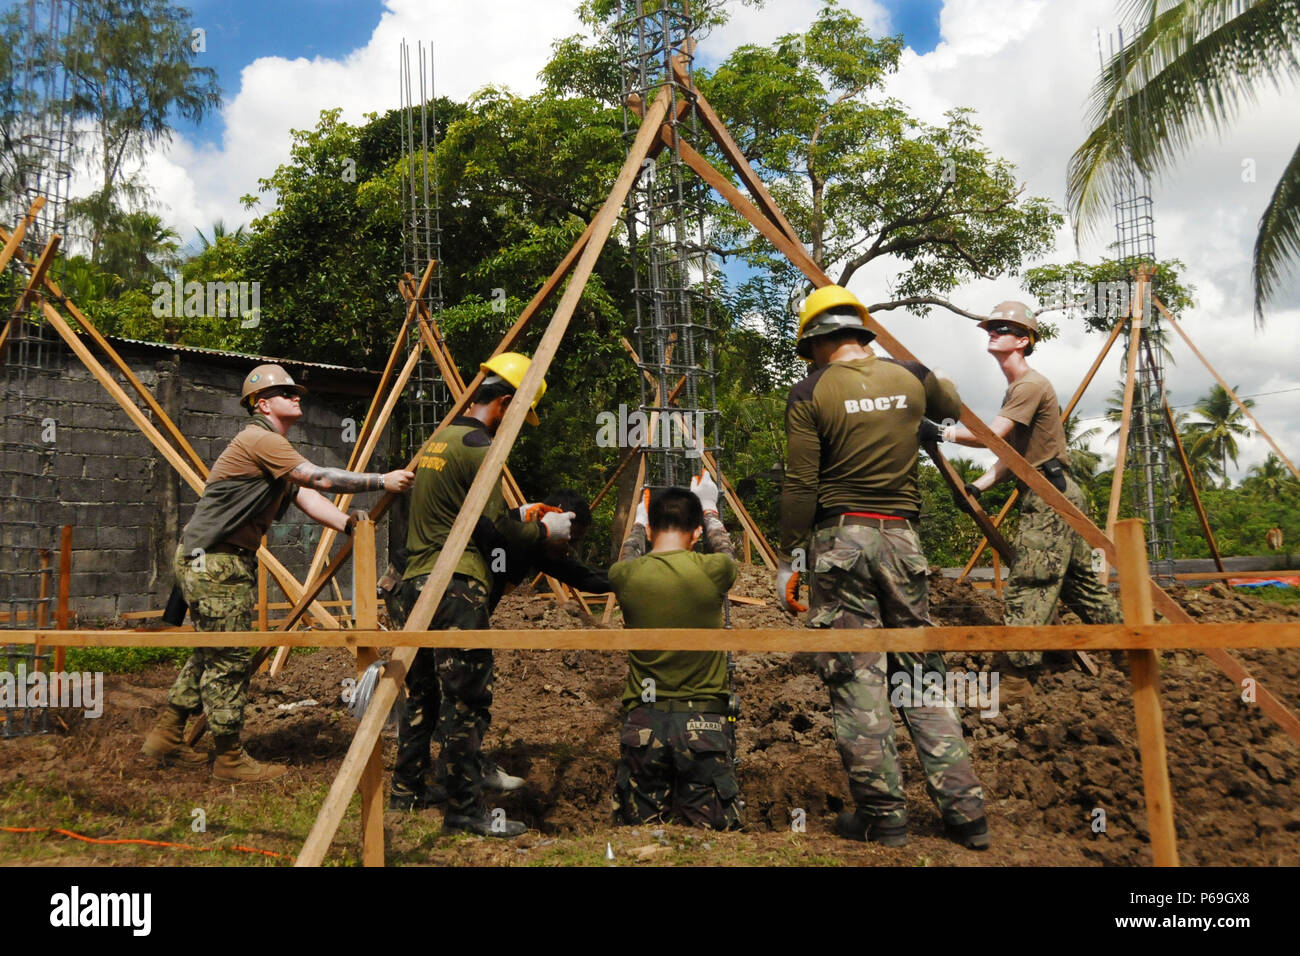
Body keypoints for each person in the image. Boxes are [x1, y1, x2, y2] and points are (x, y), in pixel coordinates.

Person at [778, 284, 988, 849]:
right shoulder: (911, 376)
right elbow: (949, 405)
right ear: (860, 331)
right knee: (920, 674)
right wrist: (917, 388)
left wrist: (790, 556)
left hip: (839, 539)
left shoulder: (809, 391)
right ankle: (967, 816)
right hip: (902, 541)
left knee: (857, 680)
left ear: (817, 341)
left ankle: (883, 816)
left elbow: (800, 484)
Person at [142, 364, 414, 781]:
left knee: (213, 651)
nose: (297, 396)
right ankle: (230, 759)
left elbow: (306, 496)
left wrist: (348, 525)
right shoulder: (260, 440)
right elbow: (320, 478)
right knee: (230, 657)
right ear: (262, 403)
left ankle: (165, 737)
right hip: (214, 561)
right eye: (286, 392)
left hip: (217, 559)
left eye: (296, 391)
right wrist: (381, 479)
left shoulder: (274, 450)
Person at [388, 352, 576, 837]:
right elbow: (494, 539)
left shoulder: (443, 439)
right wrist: (545, 532)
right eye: (520, 414)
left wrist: (519, 513)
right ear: (507, 402)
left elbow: (463, 516)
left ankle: (406, 793)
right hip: (455, 590)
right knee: (465, 703)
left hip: (415, 584)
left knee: (422, 696)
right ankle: (466, 812)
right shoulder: (482, 448)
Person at [386, 488, 611, 807]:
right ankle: (462, 786)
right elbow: (491, 531)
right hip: (427, 591)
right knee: (464, 694)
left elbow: (581, 576)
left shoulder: (528, 540)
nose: (569, 548)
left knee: (427, 693)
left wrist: (635, 576)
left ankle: (409, 790)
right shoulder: (508, 531)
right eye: (570, 538)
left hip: (405, 586)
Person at [941, 301, 1121, 668]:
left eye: (1003, 329)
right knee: (1080, 585)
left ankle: (1016, 678)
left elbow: (992, 437)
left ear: (1024, 340)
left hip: (1049, 495)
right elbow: (1012, 455)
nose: (993, 332)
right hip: (1056, 491)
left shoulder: (1029, 385)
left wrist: (940, 432)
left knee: (1029, 581)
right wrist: (980, 484)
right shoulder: (1018, 389)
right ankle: (1134, 651)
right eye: (992, 328)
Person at [608, 472, 743, 830]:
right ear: (697, 532)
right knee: (711, 837)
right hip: (703, 723)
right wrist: (711, 508)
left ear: (650, 530)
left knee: (638, 836)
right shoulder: (714, 570)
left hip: (644, 725)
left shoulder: (625, 575)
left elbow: (628, 555)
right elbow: (726, 552)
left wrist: (638, 521)